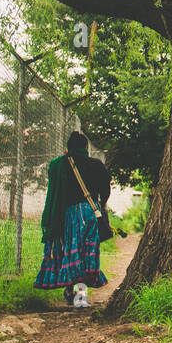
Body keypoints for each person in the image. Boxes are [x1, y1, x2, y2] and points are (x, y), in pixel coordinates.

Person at [34, 131, 111, 305]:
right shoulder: (96, 165)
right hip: (90, 213)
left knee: (72, 251)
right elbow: (105, 189)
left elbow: (52, 171)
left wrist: (65, 158)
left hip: (68, 216)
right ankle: (81, 296)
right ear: (86, 147)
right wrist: (101, 205)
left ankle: (70, 290)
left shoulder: (60, 165)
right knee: (87, 253)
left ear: (68, 149)